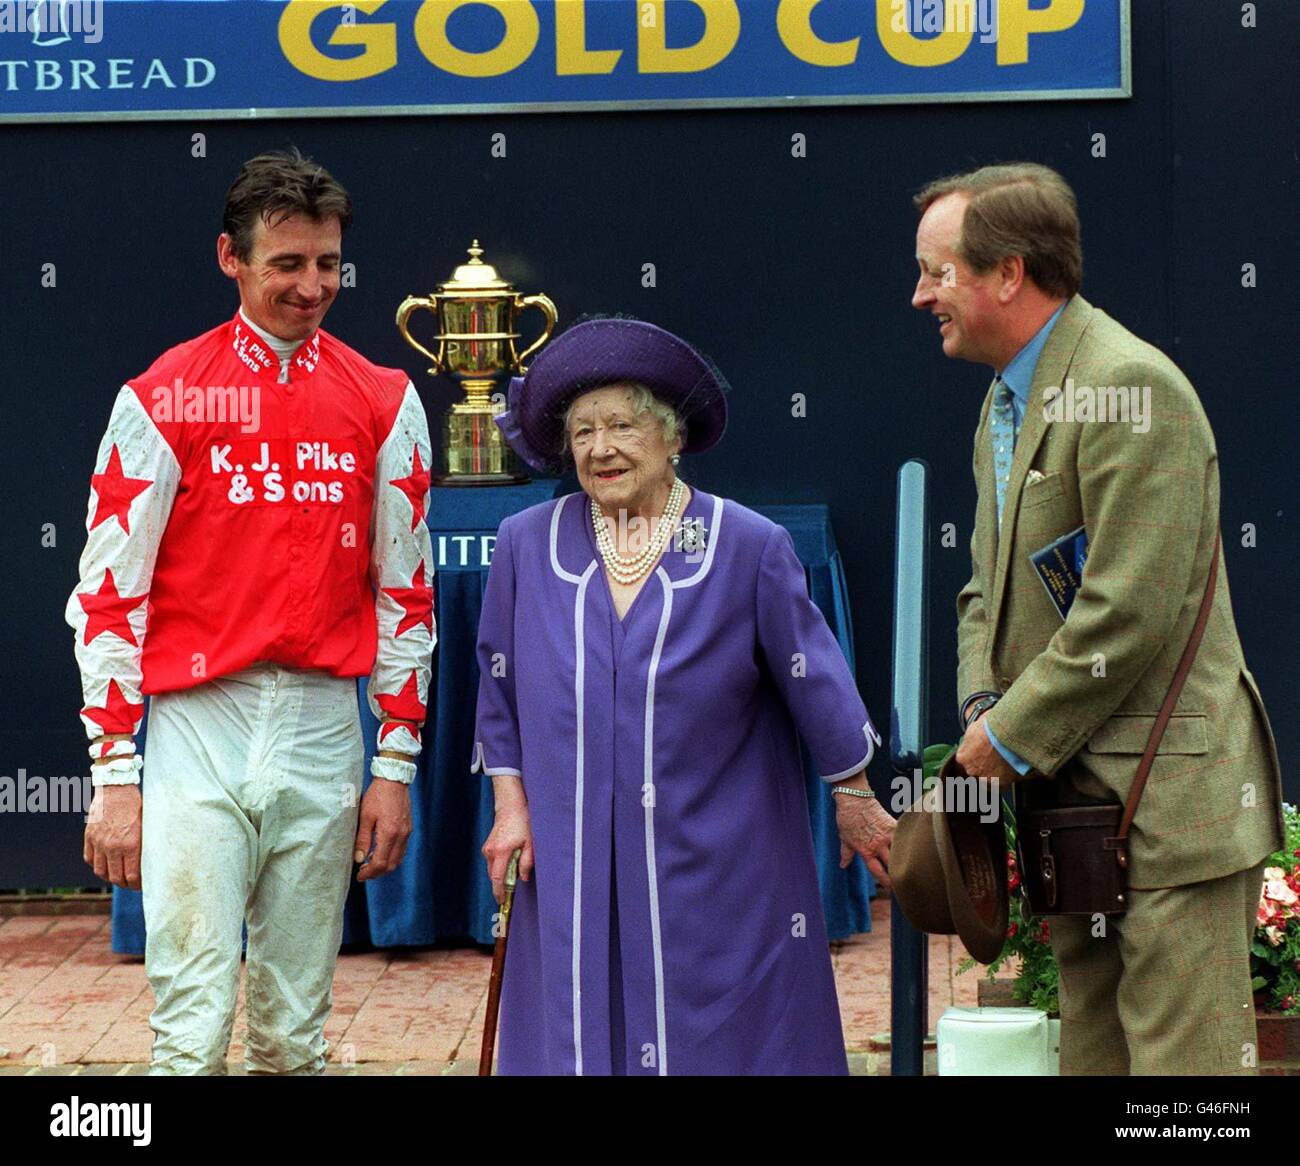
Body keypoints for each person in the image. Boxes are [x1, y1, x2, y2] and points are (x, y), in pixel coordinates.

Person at [66, 148, 435, 1075]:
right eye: (287, 265)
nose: (312, 287)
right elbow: (109, 594)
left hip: (322, 726)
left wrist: (394, 762)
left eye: (328, 264)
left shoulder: (387, 399)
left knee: (293, 1032)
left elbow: (407, 592)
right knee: (188, 1031)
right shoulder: (164, 394)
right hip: (199, 721)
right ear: (229, 259)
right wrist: (115, 772)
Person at [912, 162, 1285, 1075]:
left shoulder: (1130, 387)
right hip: (1073, 809)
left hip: (1170, 815)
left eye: (939, 271)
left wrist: (1000, 742)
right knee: (1097, 1064)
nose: (921, 295)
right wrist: (981, 709)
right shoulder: (1007, 401)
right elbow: (982, 595)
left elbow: (1127, 613)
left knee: (1184, 1087)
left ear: (1008, 273)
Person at [473, 316, 894, 1075]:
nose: (600, 449)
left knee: (715, 1028)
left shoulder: (746, 545)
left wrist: (856, 798)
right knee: (579, 1020)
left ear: (673, 437)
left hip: (714, 855)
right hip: (571, 855)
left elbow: (818, 681)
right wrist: (510, 805)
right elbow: (498, 687)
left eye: (623, 427)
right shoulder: (527, 543)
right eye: (582, 432)